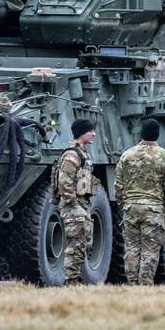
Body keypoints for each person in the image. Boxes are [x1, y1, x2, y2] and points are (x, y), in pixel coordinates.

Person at [113, 118, 165, 284]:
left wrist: (123, 205)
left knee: (132, 249)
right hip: (154, 209)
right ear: (157, 135)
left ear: (141, 134)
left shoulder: (126, 155)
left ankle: (133, 283)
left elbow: (118, 185)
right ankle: (145, 283)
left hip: (130, 208)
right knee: (150, 250)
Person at [53, 118, 97, 284]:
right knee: (74, 246)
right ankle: (71, 282)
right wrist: (74, 205)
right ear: (80, 133)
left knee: (82, 244)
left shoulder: (82, 152)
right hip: (74, 205)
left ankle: (74, 279)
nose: (94, 134)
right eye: (90, 131)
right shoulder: (72, 154)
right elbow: (65, 182)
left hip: (81, 204)